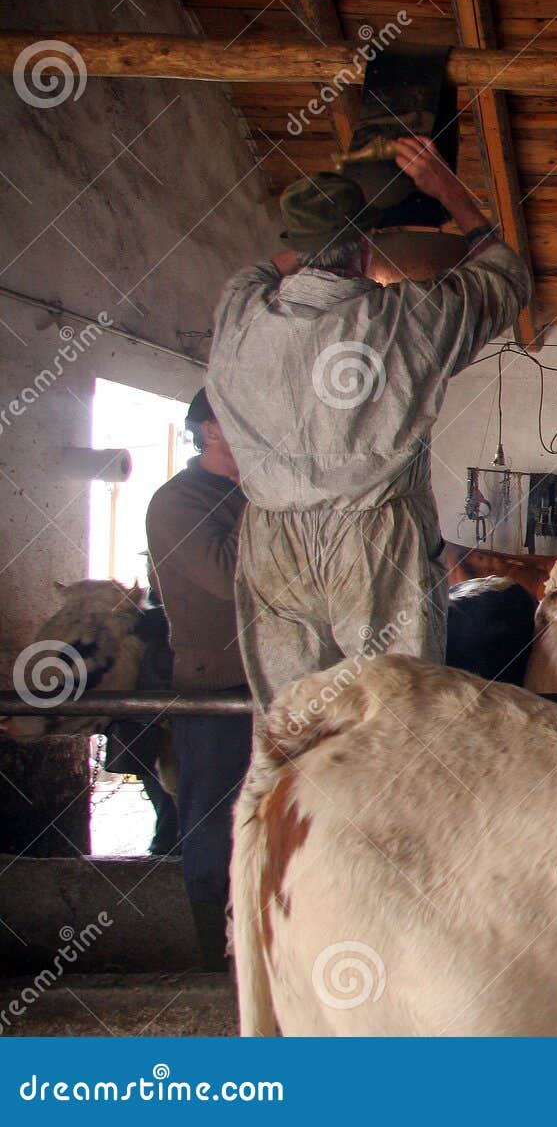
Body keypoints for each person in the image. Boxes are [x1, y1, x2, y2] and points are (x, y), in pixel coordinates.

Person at [205, 137, 532, 706]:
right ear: (364, 247)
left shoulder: (239, 312)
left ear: (296, 248)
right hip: (375, 536)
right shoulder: (409, 318)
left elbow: (266, 269)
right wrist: (451, 194)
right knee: (392, 715)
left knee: (293, 720)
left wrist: (322, 226)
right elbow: (505, 278)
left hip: (273, 539)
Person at [144, 390, 250, 970]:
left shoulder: (244, 497)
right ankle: (216, 962)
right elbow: (226, 577)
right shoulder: (177, 503)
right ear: (211, 430)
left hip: (275, 685)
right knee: (213, 822)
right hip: (218, 692)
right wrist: (268, 503)